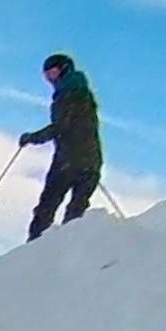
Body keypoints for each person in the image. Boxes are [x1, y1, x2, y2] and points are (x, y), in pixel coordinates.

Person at [21, 53, 104, 236]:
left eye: (53, 73)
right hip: (91, 160)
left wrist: (32, 138)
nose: (51, 80)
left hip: (68, 160)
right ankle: (71, 244)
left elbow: (61, 127)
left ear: (64, 70)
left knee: (48, 204)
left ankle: (36, 246)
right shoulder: (83, 94)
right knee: (77, 208)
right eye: (47, 76)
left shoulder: (69, 95)